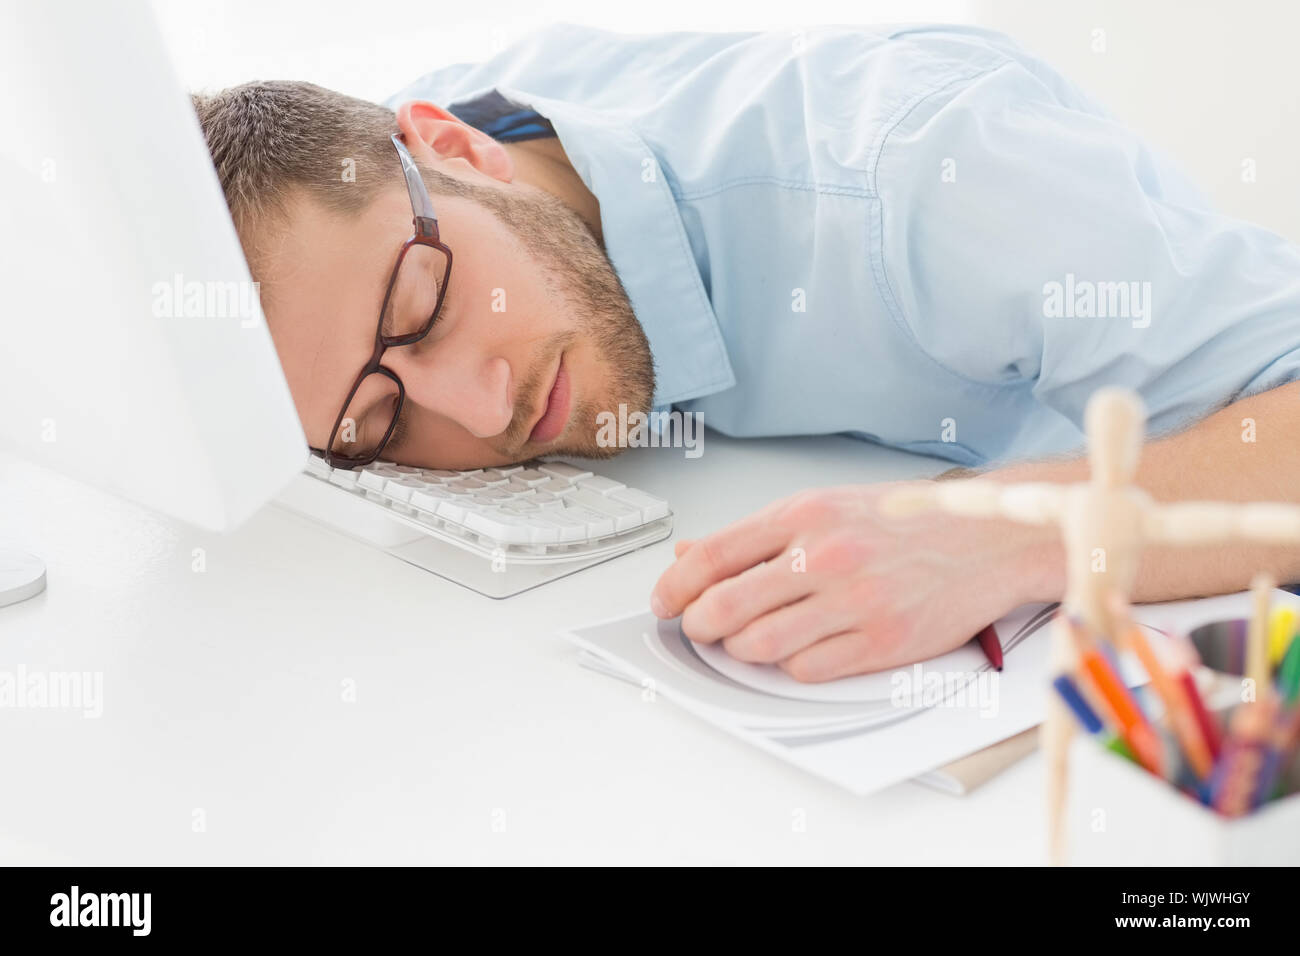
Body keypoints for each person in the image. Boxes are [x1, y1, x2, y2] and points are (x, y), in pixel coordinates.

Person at [191, 23, 1300, 681]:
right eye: (382, 424)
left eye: (427, 308)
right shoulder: (376, 212)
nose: (481, 415)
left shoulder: (933, 175)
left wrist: (1010, 531)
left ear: (455, 145)